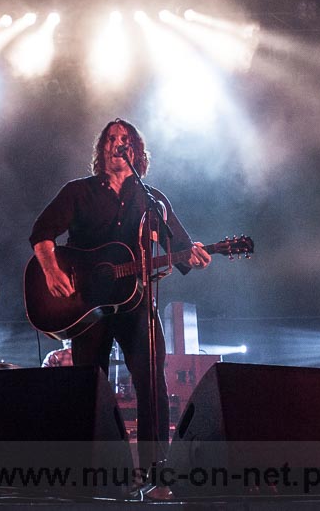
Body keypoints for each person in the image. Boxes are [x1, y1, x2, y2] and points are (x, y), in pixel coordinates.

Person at [30, 118, 212, 471]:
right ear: (102, 149)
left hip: (136, 302)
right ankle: (93, 471)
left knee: (152, 384)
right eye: (111, 139)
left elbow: (182, 248)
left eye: (125, 139)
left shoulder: (152, 200)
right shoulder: (78, 191)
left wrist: (196, 255)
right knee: (89, 388)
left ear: (136, 150)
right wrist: (52, 271)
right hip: (85, 307)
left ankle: (155, 469)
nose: (118, 143)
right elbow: (41, 232)